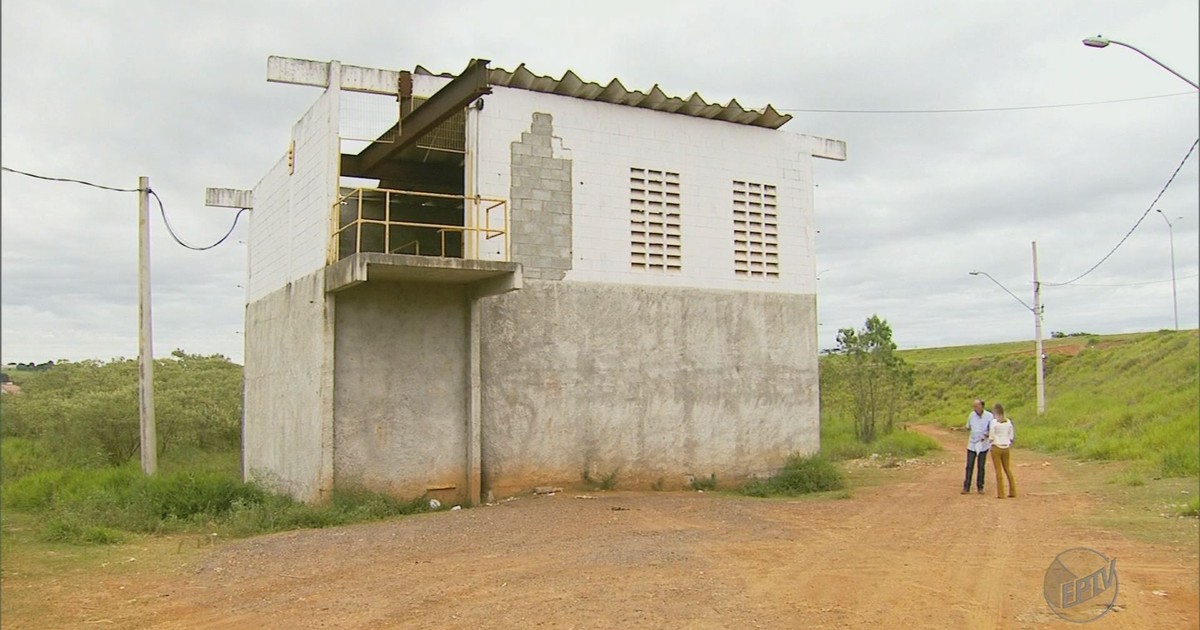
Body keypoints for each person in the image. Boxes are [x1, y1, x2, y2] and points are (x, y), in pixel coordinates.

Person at [962, 398, 992, 494]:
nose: (975, 408)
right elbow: (968, 427)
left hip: (983, 445)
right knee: (969, 466)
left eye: (976, 406)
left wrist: (985, 435)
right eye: (974, 406)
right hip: (972, 444)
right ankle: (966, 487)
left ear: (982, 406)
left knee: (981, 466)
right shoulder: (971, 415)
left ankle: (980, 486)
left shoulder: (989, 416)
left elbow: (991, 429)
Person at [989, 403, 1017, 498]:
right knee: (1007, 469)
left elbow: (992, 435)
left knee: (998, 470)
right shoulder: (1008, 422)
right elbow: (1011, 436)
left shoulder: (994, 422)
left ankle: (1001, 493)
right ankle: (1012, 491)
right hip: (1006, 446)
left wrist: (991, 440)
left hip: (996, 446)